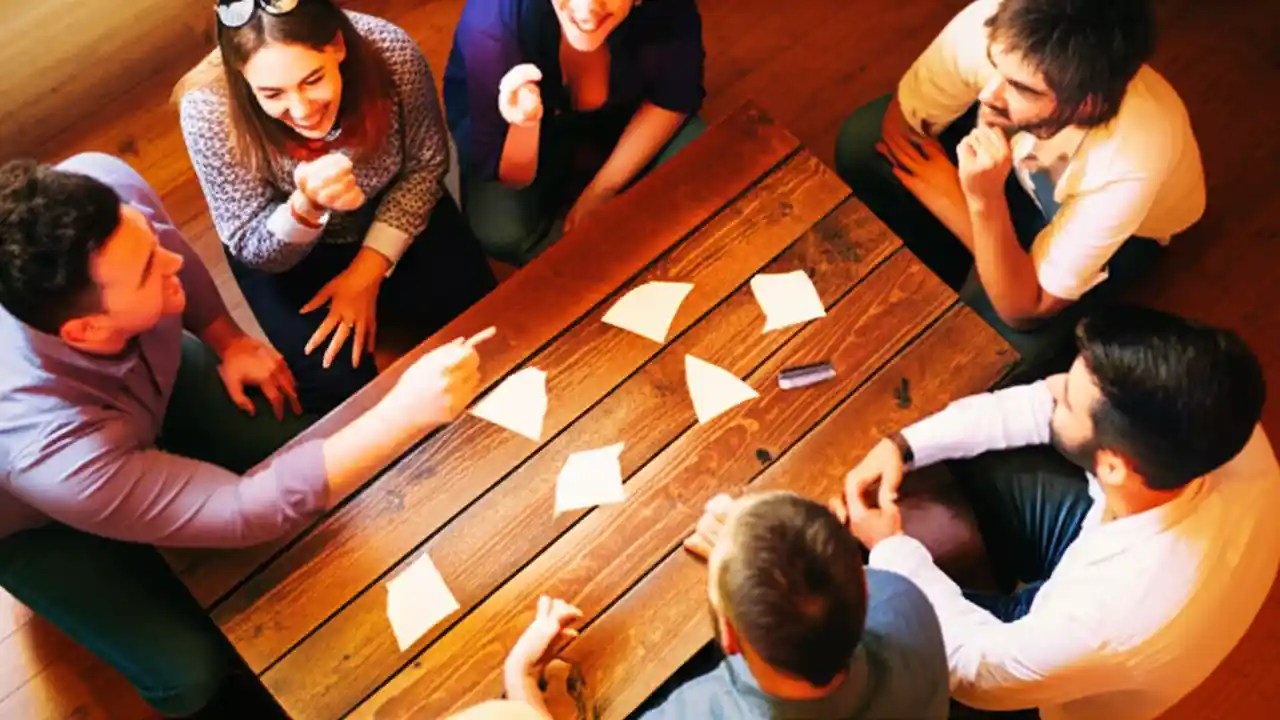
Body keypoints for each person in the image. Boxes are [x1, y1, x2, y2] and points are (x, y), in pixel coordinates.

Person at [0, 154, 491, 717]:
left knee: (308, 459)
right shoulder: (48, 450)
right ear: (85, 329)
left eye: (142, 229)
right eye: (144, 272)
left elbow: (174, 259)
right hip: (30, 521)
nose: (166, 253)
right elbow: (241, 510)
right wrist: (398, 416)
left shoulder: (103, 187)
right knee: (190, 671)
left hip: (149, 376)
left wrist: (229, 339)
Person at [836, 306, 1280, 719]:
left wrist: (892, 552)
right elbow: (1040, 403)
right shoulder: (1210, 420)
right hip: (1116, 561)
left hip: (1062, 691)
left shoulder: (1107, 612)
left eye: (1068, 399)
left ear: (1112, 465)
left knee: (867, 618)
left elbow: (977, 673)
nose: (1051, 390)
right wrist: (904, 446)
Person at [834, 0, 1204, 368]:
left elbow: (1024, 310)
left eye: (1020, 87)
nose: (988, 94)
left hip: (1127, 231)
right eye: (995, 67)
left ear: (1086, 106)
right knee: (864, 144)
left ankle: (977, 269)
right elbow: (900, 133)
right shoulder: (996, 25)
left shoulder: (1131, 157)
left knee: (1002, 341)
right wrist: (997, 253)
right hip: (1010, 171)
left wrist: (973, 202)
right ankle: (956, 263)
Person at [179, 0, 496, 415]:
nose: (302, 109)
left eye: (312, 79)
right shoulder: (209, 107)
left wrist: (366, 273)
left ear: (338, 46)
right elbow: (250, 243)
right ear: (240, 75)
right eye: (272, 93)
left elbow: (425, 164)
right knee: (338, 390)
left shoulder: (389, 50)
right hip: (285, 245)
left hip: (388, 210)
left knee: (486, 315)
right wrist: (304, 208)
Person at [493, 493, 949, 718]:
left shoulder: (694, 713)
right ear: (863, 586)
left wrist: (520, 682)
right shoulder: (907, 602)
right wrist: (757, 564)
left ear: (728, 637)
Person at [444, 0, 708, 264]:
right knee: (500, 229)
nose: (586, 10)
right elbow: (512, 175)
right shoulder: (491, 23)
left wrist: (602, 189)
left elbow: (674, 96)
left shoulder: (666, 8)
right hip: (529, 137)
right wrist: (524, 123)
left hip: (623, 116)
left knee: (700, 154)